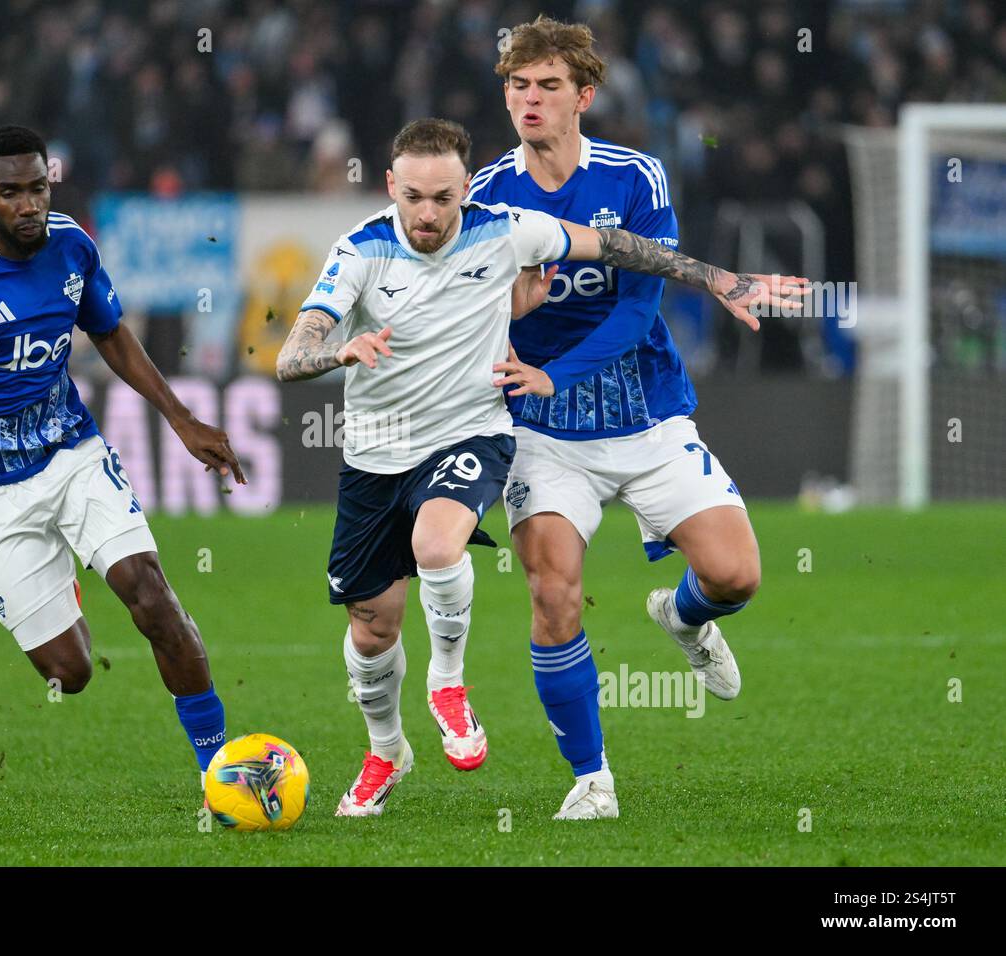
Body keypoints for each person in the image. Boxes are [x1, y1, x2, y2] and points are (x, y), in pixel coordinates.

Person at [275, 117, 803, 817]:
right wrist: (337, 352)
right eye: (414, 198)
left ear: (464, 189)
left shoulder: (507, 224)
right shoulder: (360, 250)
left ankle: (452, 685)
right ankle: (390, 750)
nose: (428, 213)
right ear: (390, 189)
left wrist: (713, 277)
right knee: (373, 629)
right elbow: (290, 355)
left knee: (729, 573)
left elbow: (620, 248)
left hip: (483, 433)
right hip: (379, 453)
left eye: (442, 197)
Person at [0, 126, 244, 785]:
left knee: (149, 594)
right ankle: (62, 581)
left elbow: (111, 333)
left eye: (38, 187)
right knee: (71, 674)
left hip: (70, 452)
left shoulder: (72, 245)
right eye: (10, 192)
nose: (29, 204)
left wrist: (180, 418)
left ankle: (221, 771)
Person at [468, 16, 775, 819]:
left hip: (645, 414)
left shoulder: (637, 176)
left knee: (736, 575)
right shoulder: (485, 194)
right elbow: (465, 314)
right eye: (517, 86)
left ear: (585, 96)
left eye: (548, 87)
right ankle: (592, 779)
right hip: (540, 432)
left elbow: (639, 311)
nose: (529, 100)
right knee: (552, 593)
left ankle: (682, 615)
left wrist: (552, 370)